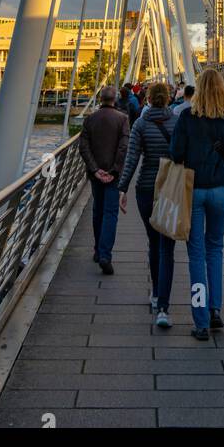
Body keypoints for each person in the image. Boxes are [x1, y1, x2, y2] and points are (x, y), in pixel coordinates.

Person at [170, 67, 224, 341]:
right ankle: (215, 310)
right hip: (221, 187)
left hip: (194, 187)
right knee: (215, 249)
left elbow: (176, 152)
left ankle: (200, 321)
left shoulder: (188, 116)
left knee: (196, 254)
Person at [117, 81, 176, 328]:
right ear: (169, 99)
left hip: (146, 187)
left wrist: (123, 188)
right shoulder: (177, 122)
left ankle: (154, 295)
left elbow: (132, 157)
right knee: (168, 246)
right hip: (170, 188)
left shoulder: (140, 123)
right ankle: (164, 305)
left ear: (148, 99)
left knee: (154, 242)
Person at [79, 86, 129, 274]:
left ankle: (97, 250)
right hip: (113, 175)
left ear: (100, 99)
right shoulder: (122, 119)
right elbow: (124, 147)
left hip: (95, 174)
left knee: (97, 210)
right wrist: (114, 170)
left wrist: (95, 169)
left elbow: (83, 146)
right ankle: (105, 254)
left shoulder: (90, 119)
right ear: (114, 99)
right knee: (110, 213)